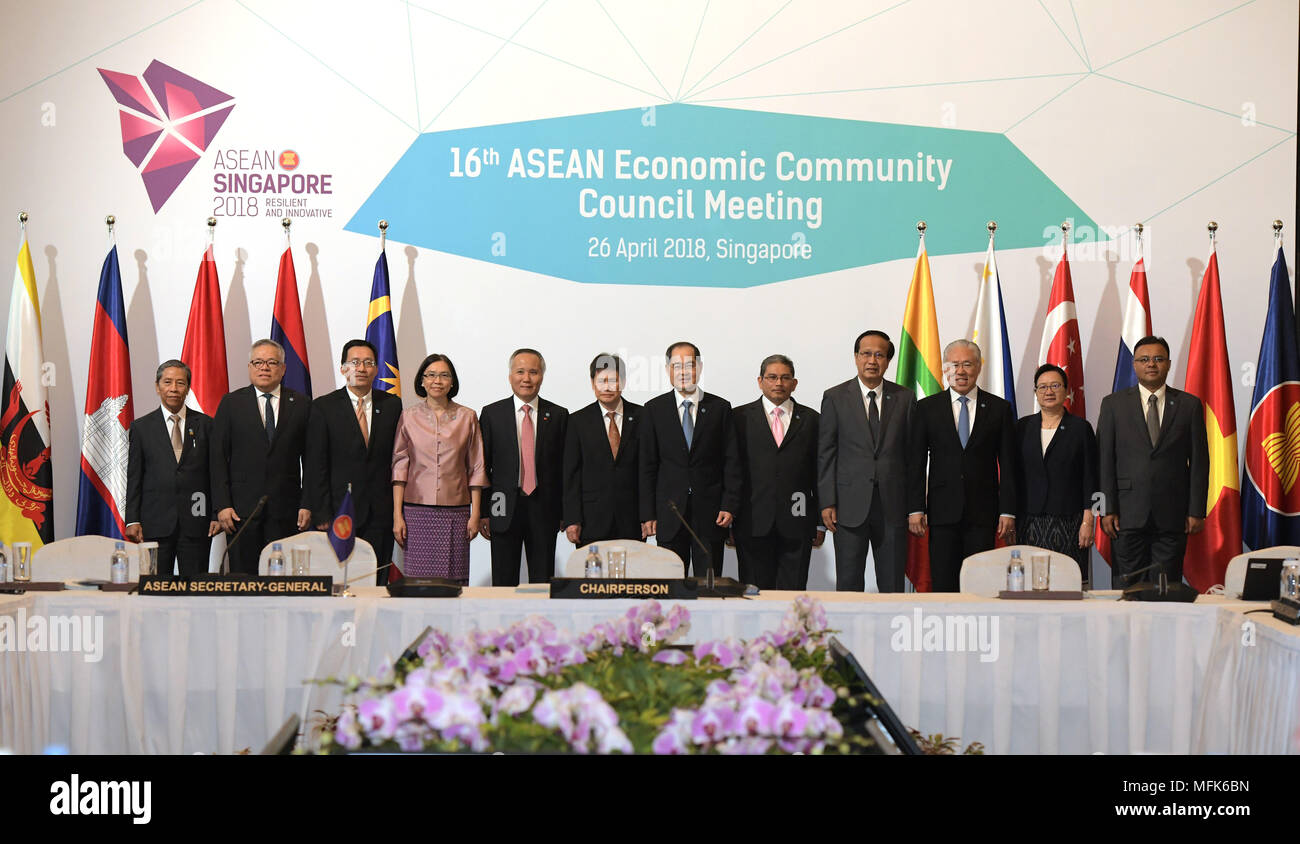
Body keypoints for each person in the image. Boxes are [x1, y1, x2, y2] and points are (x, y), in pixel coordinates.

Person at [907, 339, 1017, 591]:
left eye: (967, 364)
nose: (961, 371)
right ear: (945, 369)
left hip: (983, 513)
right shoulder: (926, 408)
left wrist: (1008, 511)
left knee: (980, 583)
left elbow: (1009, 464)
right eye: (954, 364)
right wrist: (915, 508)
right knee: (944, 582)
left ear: (979, 367)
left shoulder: (999, 408)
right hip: (942, 512)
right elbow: (916, 462)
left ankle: (978, 630)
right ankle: (947, 629)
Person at [1098, 335, 1208, 584]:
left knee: (1166, 590)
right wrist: (1107, 508)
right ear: (1134, 365)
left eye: (1158, 359)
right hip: (1125, 515)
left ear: (1168, 364)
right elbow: (1104, 461)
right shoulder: (1113, 405)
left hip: (1173, 514)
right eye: (1144, 359)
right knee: (1127, 590)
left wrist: (1196, 509)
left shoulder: (1189, 405)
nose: (1151, 364)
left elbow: (1200, 462)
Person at [818, 330, 915, 592]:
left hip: (892, 506)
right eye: (866, 354)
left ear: (888, 361)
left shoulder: (905, 398)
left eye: (879, 355)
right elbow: (826, 453)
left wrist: (915, 505)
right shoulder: (835, 397)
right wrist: (827, 501)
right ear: (855, 357)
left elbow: (912, 456)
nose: (872, 360)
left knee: (892, 583)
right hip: (848, 507)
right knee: (848, 583)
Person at [640, 341, 742, 577]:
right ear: (667, 370)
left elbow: (732, 461)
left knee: (709, 585)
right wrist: (648, 513)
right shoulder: (654, 409)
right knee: (669, 584)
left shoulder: (720, 408)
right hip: (669, 513)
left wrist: (730, 505)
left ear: (700, 368)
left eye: (689, 365)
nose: (683, 371)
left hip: (711, 515)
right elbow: (647, 466)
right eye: (677, 366)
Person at [210, 339, 312, 575]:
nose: (264, 368)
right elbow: (217, 459)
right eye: (258, 362)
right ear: (249, 367)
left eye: (271, 362)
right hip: (240, 512)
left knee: (282, 581)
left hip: (286, 511)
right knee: (242, 581)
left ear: (283, 369)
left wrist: (307, 503)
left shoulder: (301, 404)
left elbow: (312, 460)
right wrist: (222, 505)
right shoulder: (231, 403)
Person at [304, 339, 401, 584]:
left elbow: (398, 457)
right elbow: (316, 464)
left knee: (376, 579)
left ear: (376, 369)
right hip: (339, 511)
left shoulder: (391, 405)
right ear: (343, 368)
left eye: (368, 363)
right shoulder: (323, 407)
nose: (361, 368)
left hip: (381, 511)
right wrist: (323, 512)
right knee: (341, 578)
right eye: (354, 362)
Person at [392, 354, 487, 584]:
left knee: (453, 582)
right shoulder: (409, 416)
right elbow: (399, 466)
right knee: (418, 583)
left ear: (452, 382)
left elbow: (476, 467)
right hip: (416, 512)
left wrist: (475, 514)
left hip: (456, 512)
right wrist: (397, 515)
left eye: (444, 375)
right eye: (431, 375)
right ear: (422, 381)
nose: (437, 380)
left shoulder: (468, 417)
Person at [478, 349, 568, 585]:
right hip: (502, 506)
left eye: (533, 372)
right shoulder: (491, 414)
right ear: (510, 376)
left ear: (542, 376)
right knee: (503, 578)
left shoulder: (558, 415)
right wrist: (484, 511)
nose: (526, 378)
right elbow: (482, 467)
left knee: (543, 579)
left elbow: (564, 469)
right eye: (520, 371)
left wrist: (564, 512)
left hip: (544, 508)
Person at [733, 354, 822, 590]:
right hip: (751, 522)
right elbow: (731, 471)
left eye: (785, 378)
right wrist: (731, 517)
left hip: (798, 521)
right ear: (760, 381)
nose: (778, 383)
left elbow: (819, 473)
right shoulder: (738, 418)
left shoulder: (813, 419)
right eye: (772, 377)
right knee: (753, 595)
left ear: (794, 383)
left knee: (792, 598)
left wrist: (819, 522)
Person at [124, 360, 219, 576]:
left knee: (196, 590)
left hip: (197, 521)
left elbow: (215, 473)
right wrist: (132, 518)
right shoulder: (141, 428)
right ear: (157, 387)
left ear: (188, 388)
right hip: (154, 523)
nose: (174, 389)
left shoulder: (206, 425)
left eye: (180, 383)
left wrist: (215, 513)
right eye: (167, 382)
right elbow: (135, 477)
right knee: (155, 590)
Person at [1014, 363, 1097, 577]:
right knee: (1031, 584)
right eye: (1042, 387)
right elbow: (1013, 475)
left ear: (1067, 391)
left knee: (1065, 583)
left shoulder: (1081, 428)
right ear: (1035, 393)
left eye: (1055, 385)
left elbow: (1092, 478)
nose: (1048, 391)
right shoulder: (1022, 428)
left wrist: (1089, 520)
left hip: (1070, 522)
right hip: (1028, 522)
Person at [563, 354, 642, 546]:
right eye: (601, 381)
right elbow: (571, 474)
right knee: (592, 576)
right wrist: (572, 519)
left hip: (633, 519)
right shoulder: (577, 421)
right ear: (592, 383)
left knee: (633, 574)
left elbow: (647, 469)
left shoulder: (642, 416)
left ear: (622, 381)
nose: (607, 387)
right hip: (591, 521)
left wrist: (648, 515)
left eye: (613, 380)